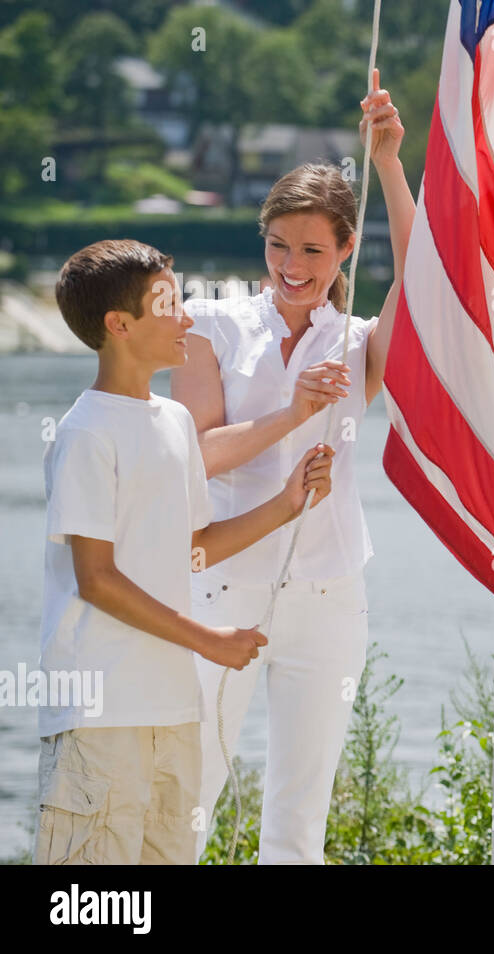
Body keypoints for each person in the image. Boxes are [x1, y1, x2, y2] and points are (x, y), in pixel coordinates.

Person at [171, 70, 415, 864]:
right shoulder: (208, 326)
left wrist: (387, 163)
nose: (293, 264)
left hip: (331, 592)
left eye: (313, 249)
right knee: (191, 791)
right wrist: (292, 413)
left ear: (348, 247)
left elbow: (430, 288)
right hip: (221, 582)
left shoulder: (358, 341)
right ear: (262, 239)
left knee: (299, 813)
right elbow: (196, 457)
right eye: (279, 244)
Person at [35, 239, 334, 865]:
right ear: (119, 325)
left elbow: (194, 548)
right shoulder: (86, 433)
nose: (189, 318)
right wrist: (208, 640)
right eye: (169, 304)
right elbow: (96, 579)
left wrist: (285, 503)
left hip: (173, 710)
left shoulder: (173, 421)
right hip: (101, 714)